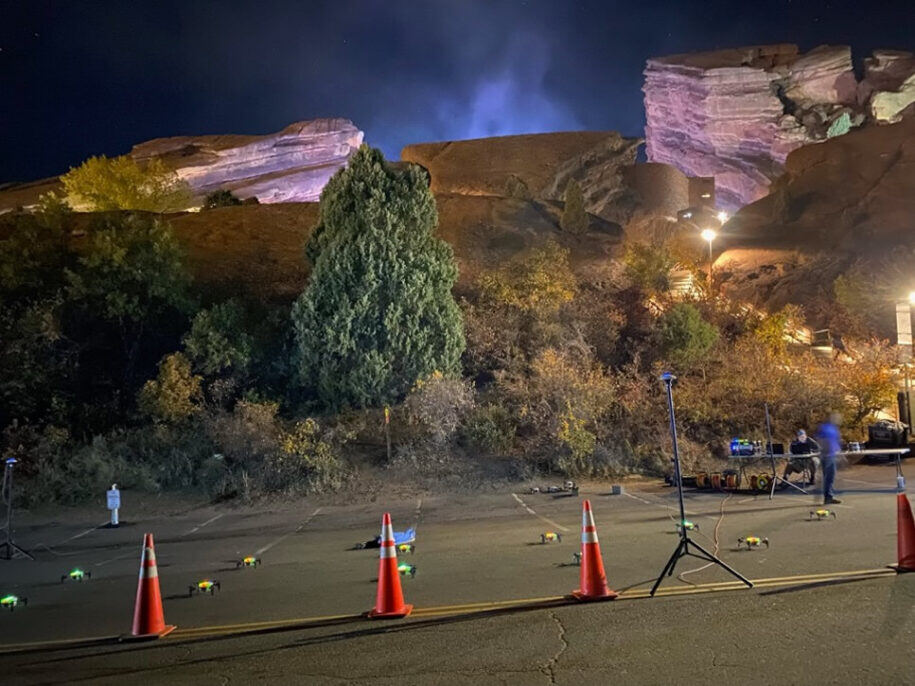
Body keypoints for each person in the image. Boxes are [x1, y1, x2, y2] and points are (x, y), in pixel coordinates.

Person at [815, 413, 843, 505]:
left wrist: (839, 452)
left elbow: (835, 441)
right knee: (828, 477)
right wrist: (824, 450)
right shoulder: (824, 428)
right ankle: (827, 497)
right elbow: (820, 439)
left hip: (832, 455)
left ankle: (829, 496)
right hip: (827, 455)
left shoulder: (835, 429)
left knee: (830, 477)